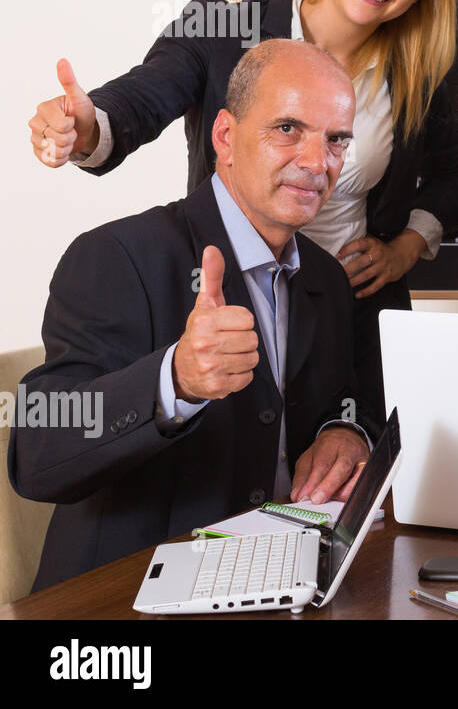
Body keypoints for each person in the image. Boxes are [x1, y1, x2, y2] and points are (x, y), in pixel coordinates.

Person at [25, 0, 458, 409]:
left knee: (345, 475)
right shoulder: (222, 29)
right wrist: (88, 126)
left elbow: (456, 170)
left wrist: (405, 248)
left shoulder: (413, 73)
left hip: (350, 316)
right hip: (233, 302)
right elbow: (143, 99)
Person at [10, 40, 380, 590]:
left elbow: (347, 402)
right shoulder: (117, 255)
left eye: (336, 140)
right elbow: (36, 453)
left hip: (281, 582)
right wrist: (174, 378)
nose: (315, 162)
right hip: (123, 599)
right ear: (225, 137)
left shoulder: (324, 277)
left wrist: (345, 432)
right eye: (288, 129)